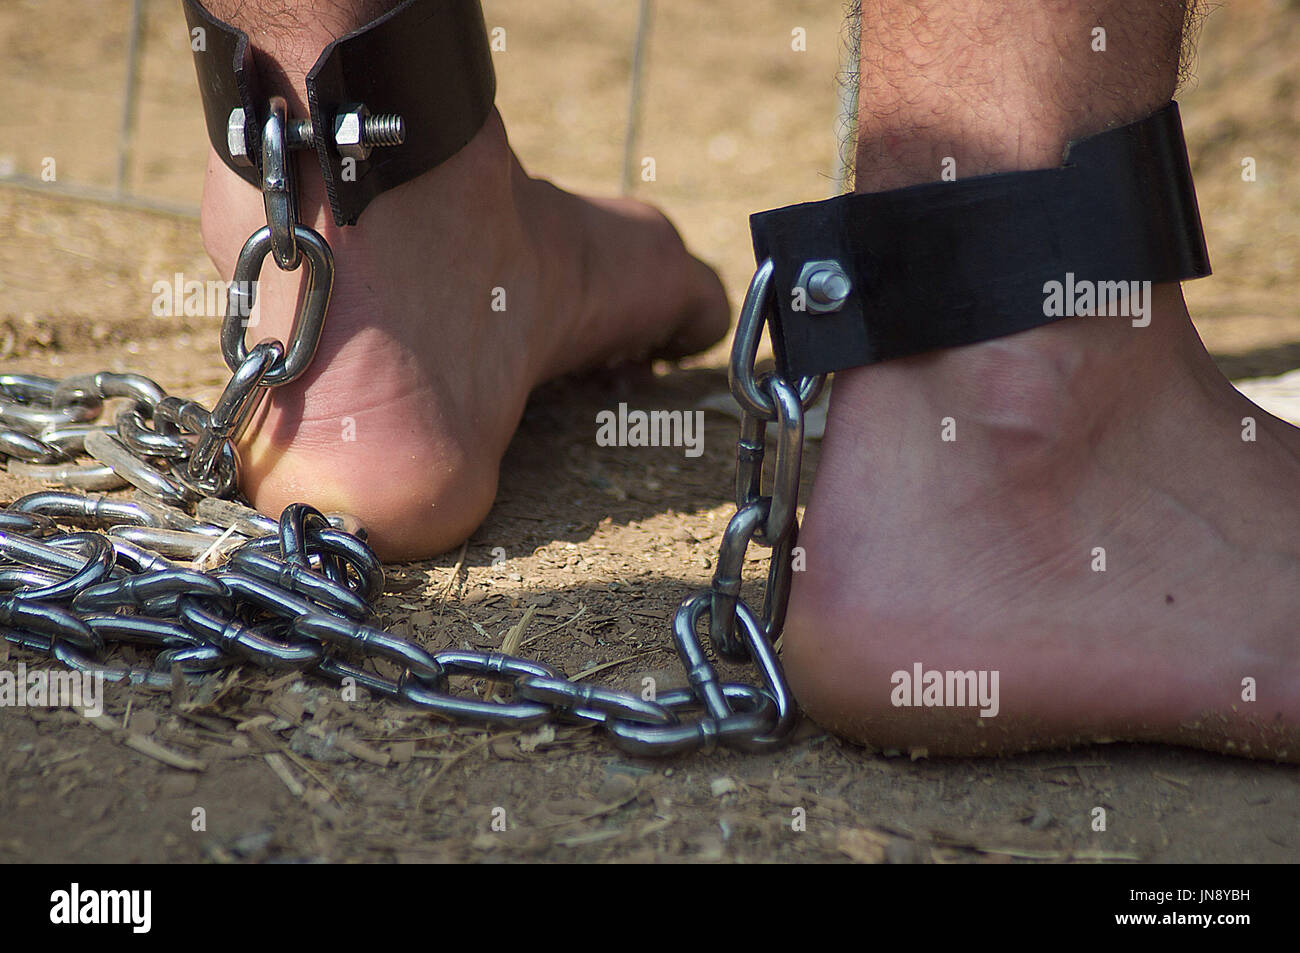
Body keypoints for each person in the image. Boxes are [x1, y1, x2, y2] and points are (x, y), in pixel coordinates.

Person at [197, 0, 1299, 761]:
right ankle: (1014, 395)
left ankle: (384, 255)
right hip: (1018, 407)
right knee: (1005, 361)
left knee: (378, 212)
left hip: (345, 238)